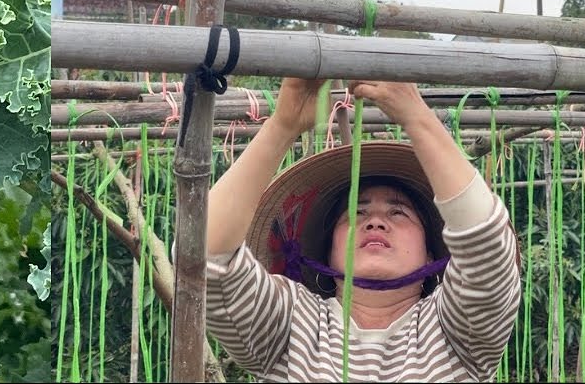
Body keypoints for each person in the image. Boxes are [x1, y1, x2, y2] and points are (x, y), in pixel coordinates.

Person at [204, 78, 522, 382]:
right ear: (328, 252)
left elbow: (488, 247)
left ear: (430, 256)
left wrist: (417, 117)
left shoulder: (456, 329)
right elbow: (206, 261)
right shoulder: (292, 321)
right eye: (355, 213)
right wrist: (282, 125)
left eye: (398, 212)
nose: (375, 222)